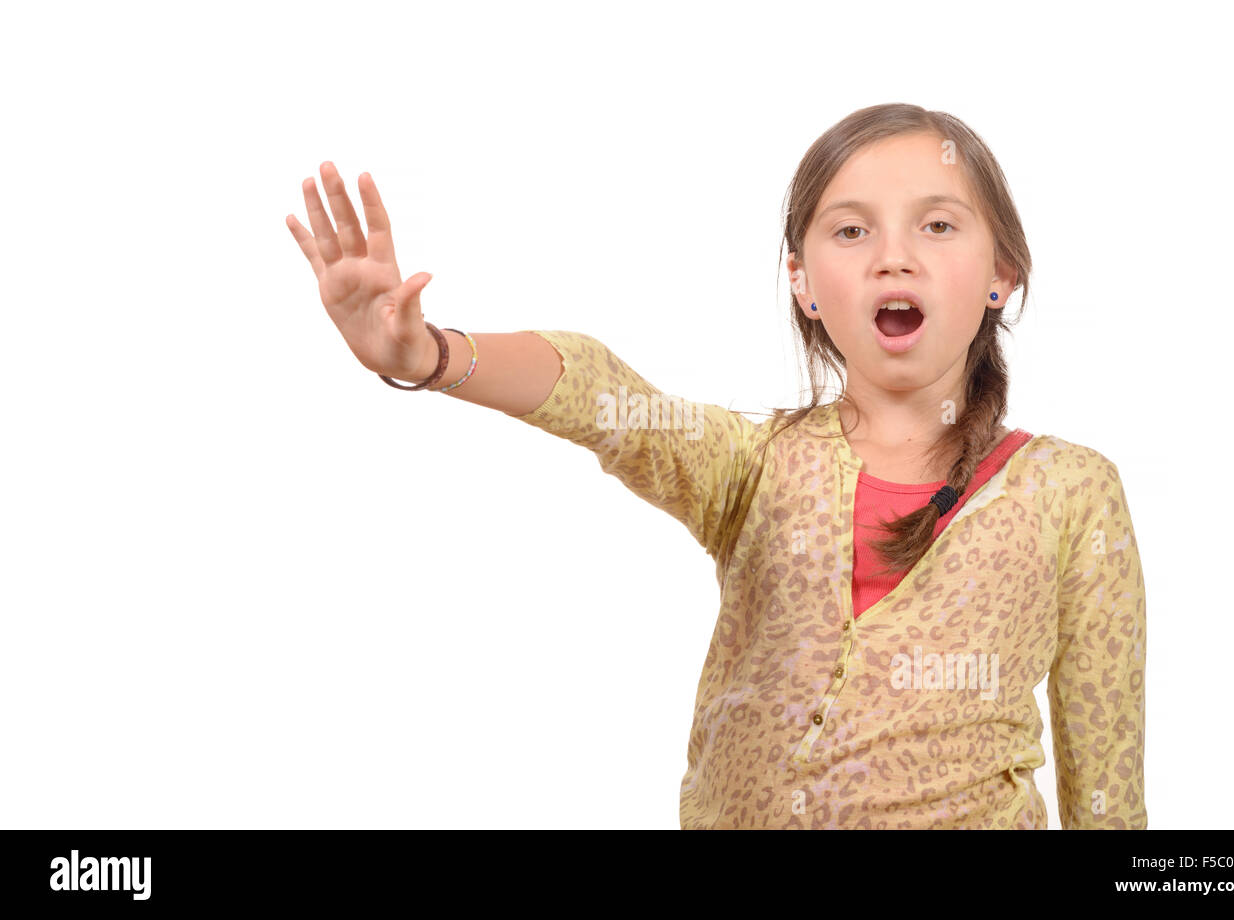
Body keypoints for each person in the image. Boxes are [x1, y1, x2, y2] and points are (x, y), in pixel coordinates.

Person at [285, 103, 1147, 830]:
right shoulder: (752, 463)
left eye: (938, 224)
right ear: (805, 283)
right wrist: (427, 353)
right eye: (852, 230)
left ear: (1001, 273)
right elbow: (602, 395)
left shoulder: (1070, 492)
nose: (894, 255)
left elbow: (1106, 787)